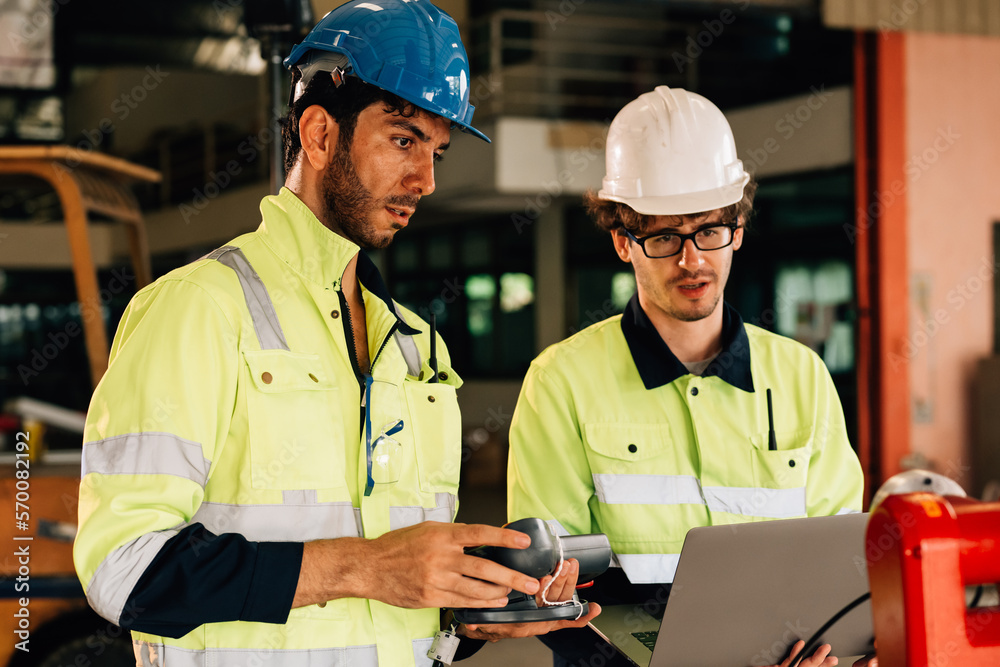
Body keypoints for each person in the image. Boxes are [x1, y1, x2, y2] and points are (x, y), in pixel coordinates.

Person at [73, 2, 596, 665]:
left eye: (436, 150)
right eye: (403, 139)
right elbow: (122, 569)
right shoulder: (197, 309)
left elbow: (404, 592)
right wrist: (362, 567)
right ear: (319, 135)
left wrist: (474, 610)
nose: (426, 180)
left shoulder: (416, 348)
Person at [507, 86, 866, 667]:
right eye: (665, 236)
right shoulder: (561, 382)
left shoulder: (802, 376)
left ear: (738, 229)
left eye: (709, 231)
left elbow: (843, 558)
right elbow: (548, 582)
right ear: (624, 242)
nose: (692, 259)